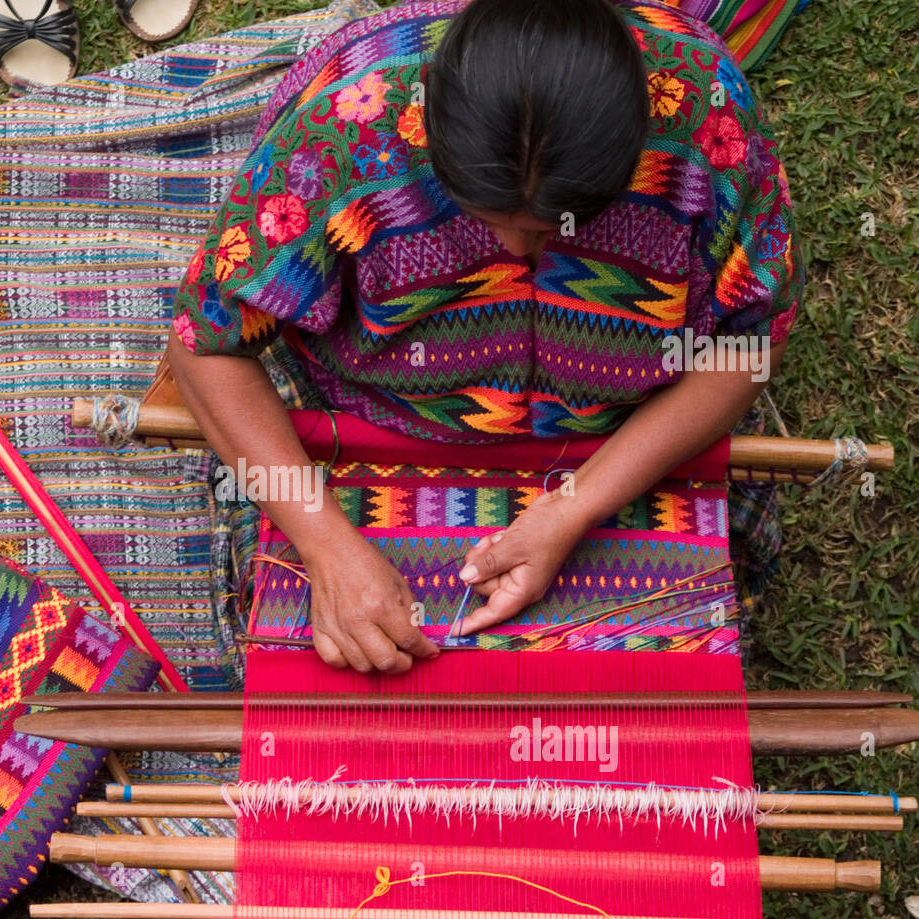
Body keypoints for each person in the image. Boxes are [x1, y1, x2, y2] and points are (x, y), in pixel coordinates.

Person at [167, 0, 803, 674]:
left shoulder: (703, 112)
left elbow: (750, 340)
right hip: (374, 427)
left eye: (552, 229)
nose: (509, 248)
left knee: (652, 677)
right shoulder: (345, 129)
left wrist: (576, 505)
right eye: (484, 215)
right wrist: (325, 543)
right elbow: (205, 343)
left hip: (627, 430)